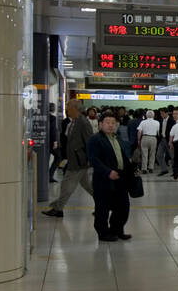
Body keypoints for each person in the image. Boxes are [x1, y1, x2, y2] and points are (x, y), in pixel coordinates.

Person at [87, 113, 133, 243]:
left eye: (113, 123)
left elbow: (122, 156)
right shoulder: (95, 139)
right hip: (104, 178)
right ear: (101, 124)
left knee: (123, 206)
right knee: (103, 208)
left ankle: (117, 230)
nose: (111, 125)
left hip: (119, 177)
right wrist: (107, 172)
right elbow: (93, 159)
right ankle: (103, 233)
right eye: (107, 122)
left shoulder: (117, 138)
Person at [43, 101, 94, 218]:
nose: (66, 109)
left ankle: (57, 208)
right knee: (88, 186)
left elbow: (89, 142)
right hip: (75, 159)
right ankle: (104, 204)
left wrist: (88, 159)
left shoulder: (83, 122)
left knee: (66, 185)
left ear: (75, 108)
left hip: (79, 161)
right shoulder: (74, 121)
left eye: (68, 107)